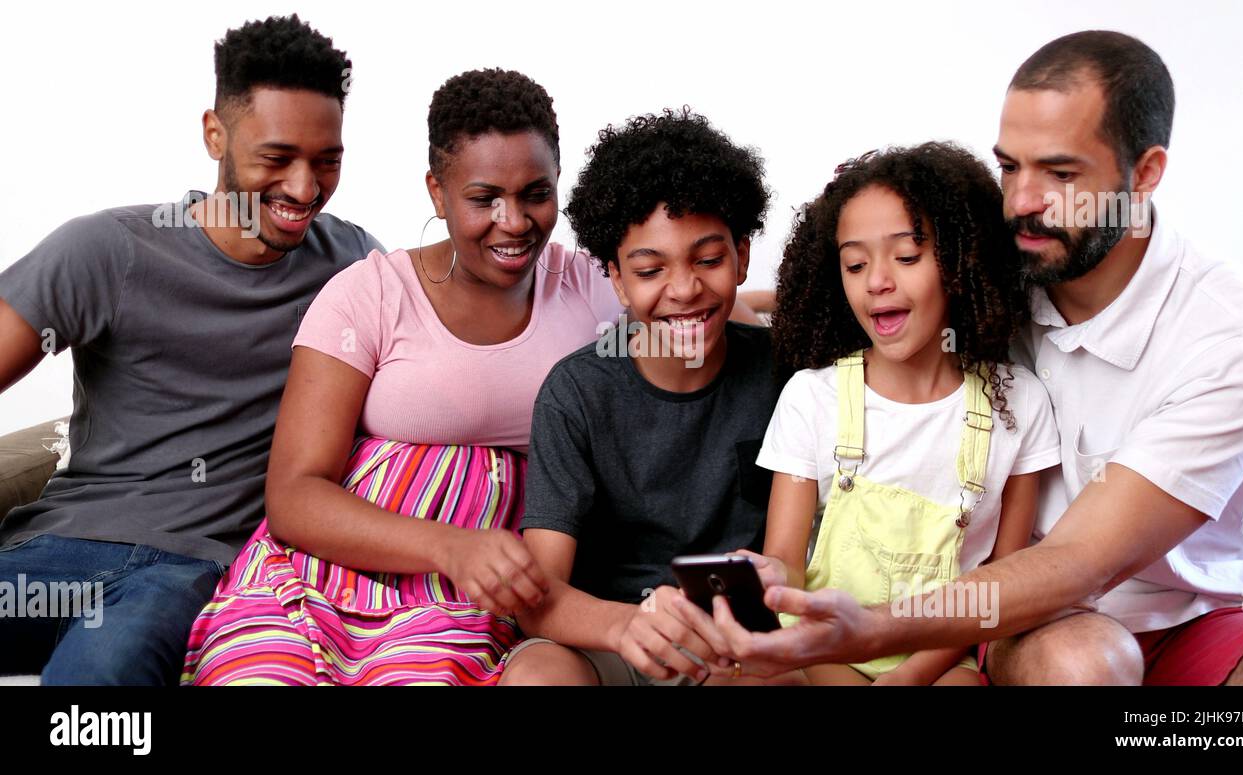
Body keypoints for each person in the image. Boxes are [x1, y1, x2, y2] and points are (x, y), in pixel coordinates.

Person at [672, 30, 1243, 686]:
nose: (1021, 201)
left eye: (1059, 174)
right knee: (1083, 660)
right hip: (1038, 630)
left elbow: (1082, 560)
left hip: (1189, 618)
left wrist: (875, 627)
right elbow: (877, 289)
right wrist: (731, 299)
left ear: (1143, 174)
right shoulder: (1001, 271)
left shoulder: (1238, 338)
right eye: (1009, 166)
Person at [181, 68, 632, 685]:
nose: (515, 221)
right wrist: (450, 545)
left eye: (536, 193)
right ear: (437, 193)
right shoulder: (370, 293)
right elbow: (293, 496)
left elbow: (694, 301)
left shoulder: (591, 289)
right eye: (483, 199)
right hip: (319, 575)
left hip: (467, 602)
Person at [0, 15, 380, 685]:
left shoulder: (353, 268)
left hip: (194, 569)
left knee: (95, 687)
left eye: (327, 160)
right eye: (276, 158)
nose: (303, 188)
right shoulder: (109, 250)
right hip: (57, 548)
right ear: (215, 133)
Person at [497, 109, 801, 686]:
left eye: (708, 260)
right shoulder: (577, 392)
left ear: (741, 252)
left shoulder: (784, 375)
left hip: (733, 649)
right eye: (650, 269)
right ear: (615, 277)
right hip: (609, 637)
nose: (684, 289)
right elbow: (538, 597)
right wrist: (625, 626)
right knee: (538, 674)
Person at [759, 143, 1059, 685]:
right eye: (856, 263)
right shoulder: (812, 397)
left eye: (906, 257)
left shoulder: (1019, 403)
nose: (877, 281)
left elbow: (1002, 580)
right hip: (827, 653)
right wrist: (768, 581)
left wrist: (912, 675)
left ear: (962, 263)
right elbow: (785, 559)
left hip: (944, 656)